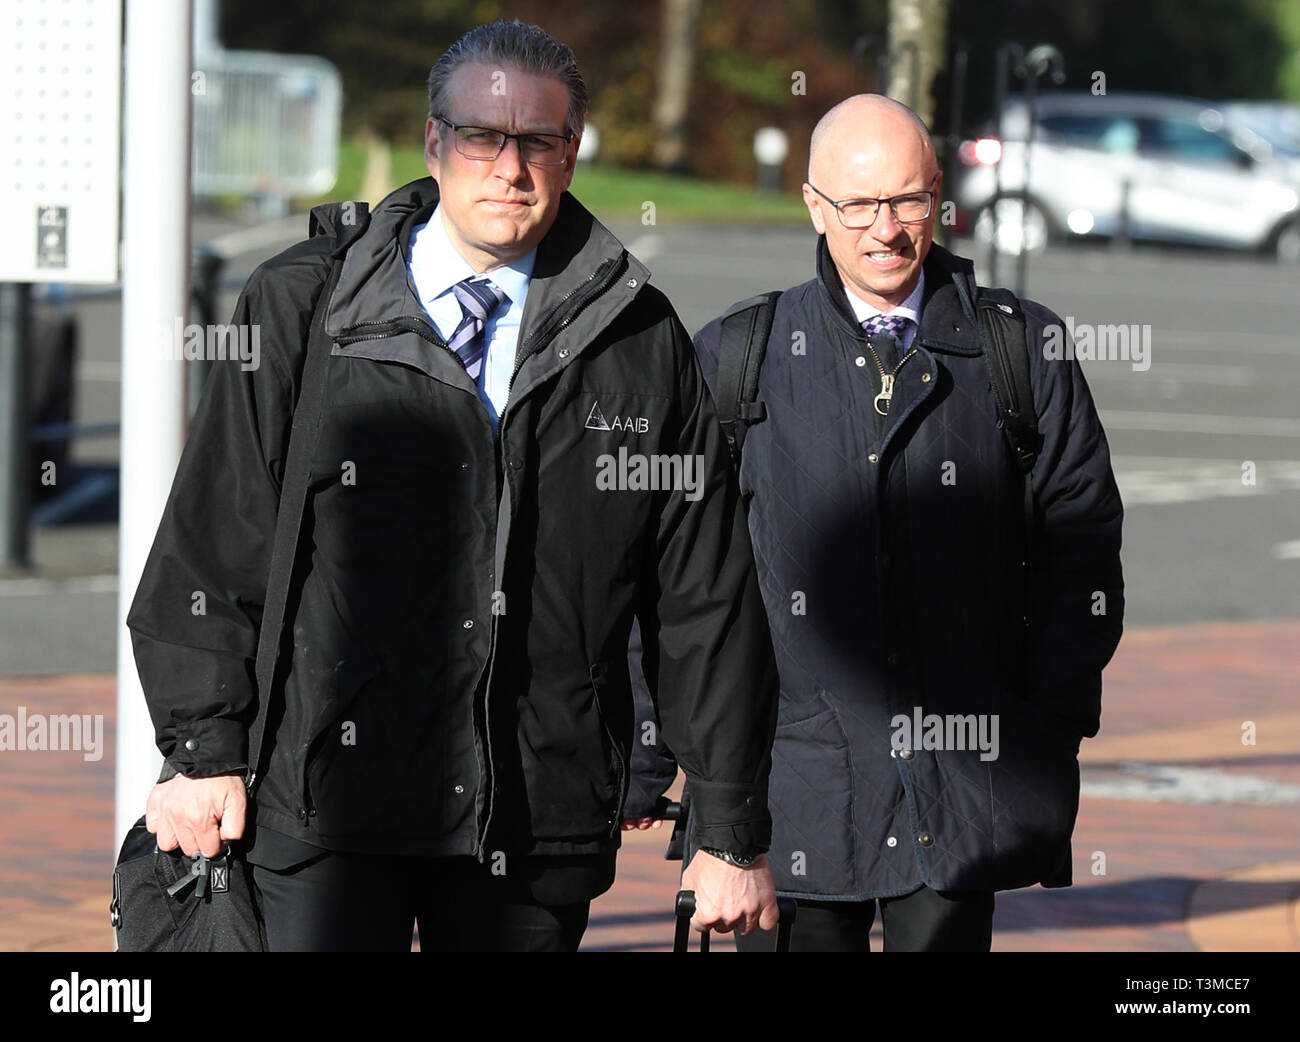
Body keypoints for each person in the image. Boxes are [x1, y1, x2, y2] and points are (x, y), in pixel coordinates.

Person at [127, 19, 780, 952]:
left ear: (572, 152)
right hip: (323, 805)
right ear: (436, 143)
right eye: (482, 137)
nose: (509, 169)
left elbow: (705, 599)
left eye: (539, 143)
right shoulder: (304, 306)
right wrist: (199, 750)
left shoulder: (638, 338)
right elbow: (214, 534)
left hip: (532, 812)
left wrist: (726, 825)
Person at [655, 94, 1125, 951]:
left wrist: (1042, 723)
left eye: (908, 200)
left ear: (940, 196)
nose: (886, 230)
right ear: (813, 206)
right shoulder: (736, 356)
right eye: (858, 205)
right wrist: (659, 763)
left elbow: (1081, 549)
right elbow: (674, 580)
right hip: (788, 803)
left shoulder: (1022, 350)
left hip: (963, 792)